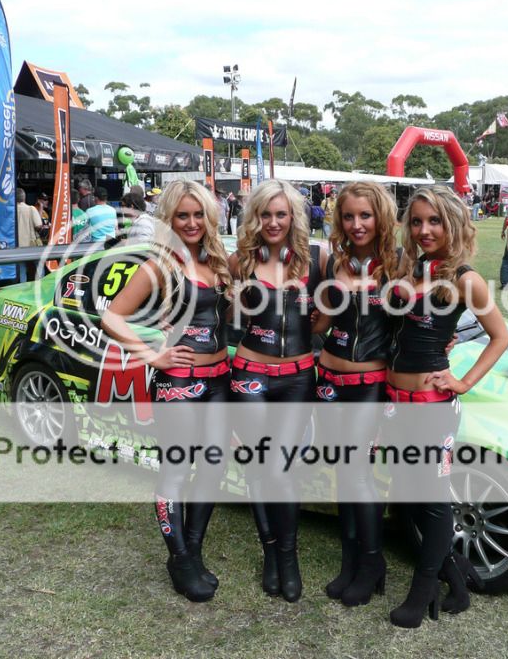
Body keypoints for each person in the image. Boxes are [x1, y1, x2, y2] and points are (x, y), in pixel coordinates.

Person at [102, 180, 232, 603]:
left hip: (218, 381)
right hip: (178, 381)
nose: (192, 223)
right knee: (177, 470)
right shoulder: (160, 264)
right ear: (169, 220)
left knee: (212, 466)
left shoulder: (219, 262)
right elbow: (112, 316)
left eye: (198, 215)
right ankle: (179, 558)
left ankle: (192, 551)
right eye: (183, 215)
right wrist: (153, 357)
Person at [386, 185, 508, 628]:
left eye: (434, 221)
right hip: (396, 402)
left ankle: (422, 597)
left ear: (453, 223)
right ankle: (457, 579)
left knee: (433, 503)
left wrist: (464, 380)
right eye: (417, 221)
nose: (424, 230)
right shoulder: (412, 267)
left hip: (432, 405)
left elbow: (500, 336)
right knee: (408, 499)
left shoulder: (464, 278)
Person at [228, 179, 328, 603]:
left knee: (281, 469)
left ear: (294, 218)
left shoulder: (318, 258)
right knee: (257, 467)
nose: (273, 222)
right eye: (265, 214)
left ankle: (289, 557)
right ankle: (271, 554)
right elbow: (207, 305)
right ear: (255, 217)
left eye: (281, 214)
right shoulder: (240, 262)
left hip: (298, 377)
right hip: (249, 373)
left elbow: (328, 315)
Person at [310, 182, 398, 608]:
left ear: (380, 216)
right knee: (342, 474)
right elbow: (322, 322)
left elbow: (424, 318)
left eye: (365, 215)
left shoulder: (399, 265)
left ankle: (371, 563)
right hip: (327, 379)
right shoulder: (334, 263)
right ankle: (349, 564)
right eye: (349, 216)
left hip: (369, 385)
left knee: (359, 474)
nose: (357, 224)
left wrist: (442, 341)